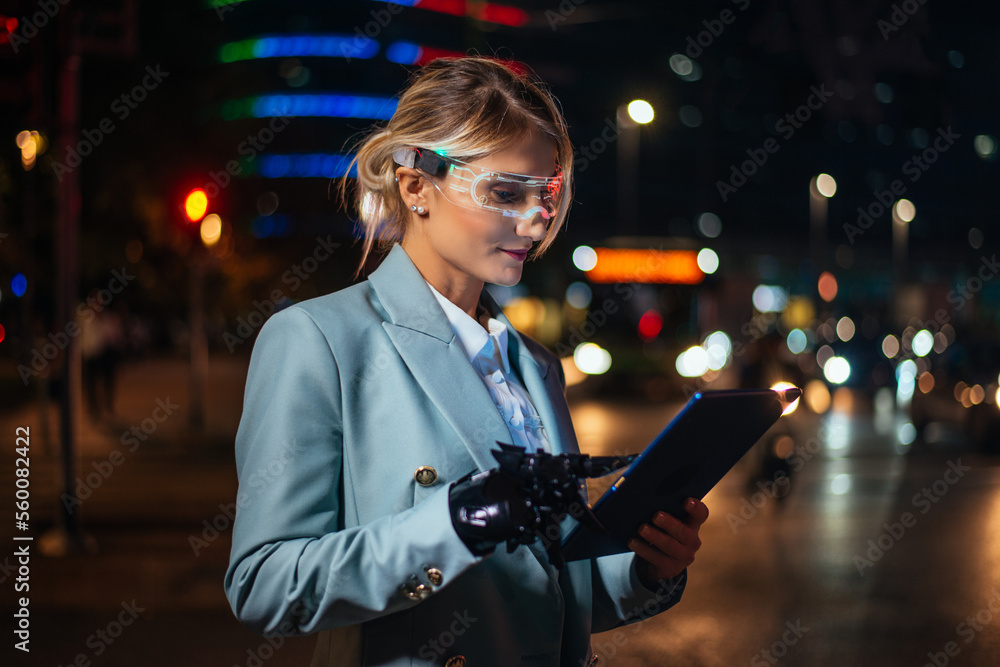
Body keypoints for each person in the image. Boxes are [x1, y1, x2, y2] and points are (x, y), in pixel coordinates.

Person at [225, 57, 709, 667]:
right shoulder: (317, 339)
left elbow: (547, 596)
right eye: (506, 192)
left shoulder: (534, 365)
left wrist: (645, 567)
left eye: (546, 195)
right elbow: (265, 585)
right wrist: (449, 525)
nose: (535, 221)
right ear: (415, 185)